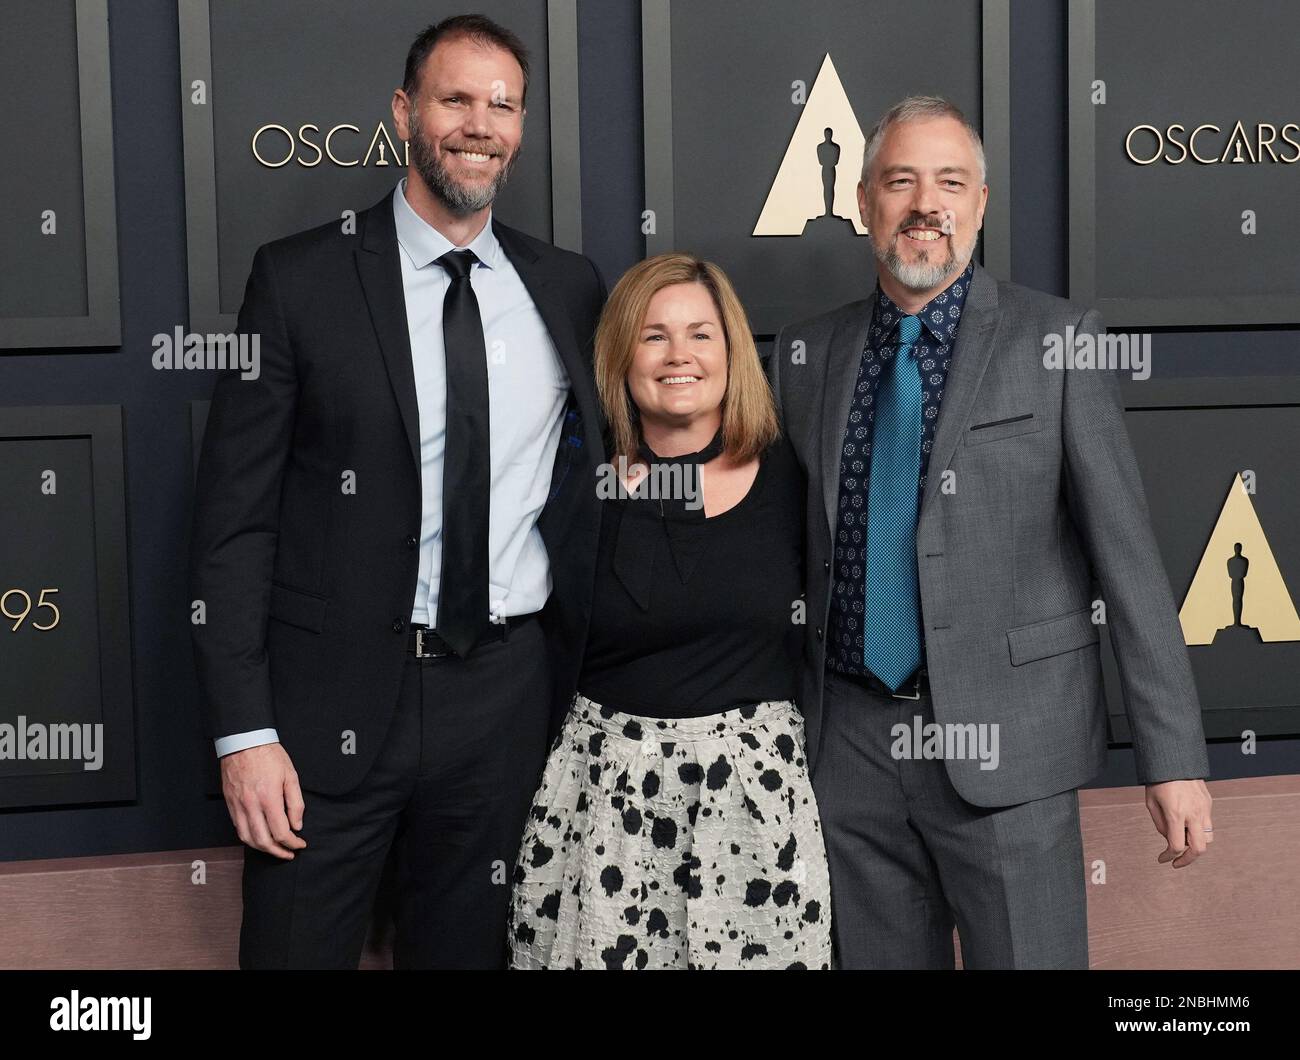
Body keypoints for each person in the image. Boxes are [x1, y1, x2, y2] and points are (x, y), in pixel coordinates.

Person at [189, 15, 606, 968]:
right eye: (456, 98)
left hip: (505, 705)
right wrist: (243, 734)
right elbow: (231, 527)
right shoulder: (299, 281)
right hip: (322, 709)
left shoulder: (569, 289)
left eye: (502, 104)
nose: (480, 123)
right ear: (404, 112)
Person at [767, 95, 1214, 969]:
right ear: (863, 203)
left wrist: (1174, 759)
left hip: (1014, 747)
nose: (926, 204)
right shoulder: (808, 355)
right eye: (901, 182)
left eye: (951, 182)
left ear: (980, 203)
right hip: (850, 748)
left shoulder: (1059, 341)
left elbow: (1129, 564)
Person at [507, 254, 833, 969]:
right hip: (602, 807)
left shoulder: (795, 472)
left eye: (701, 334)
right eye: (654, 336)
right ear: (622, 356)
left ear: (732, 351)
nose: (678, 355)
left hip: (756, 809)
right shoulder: (575, 484)